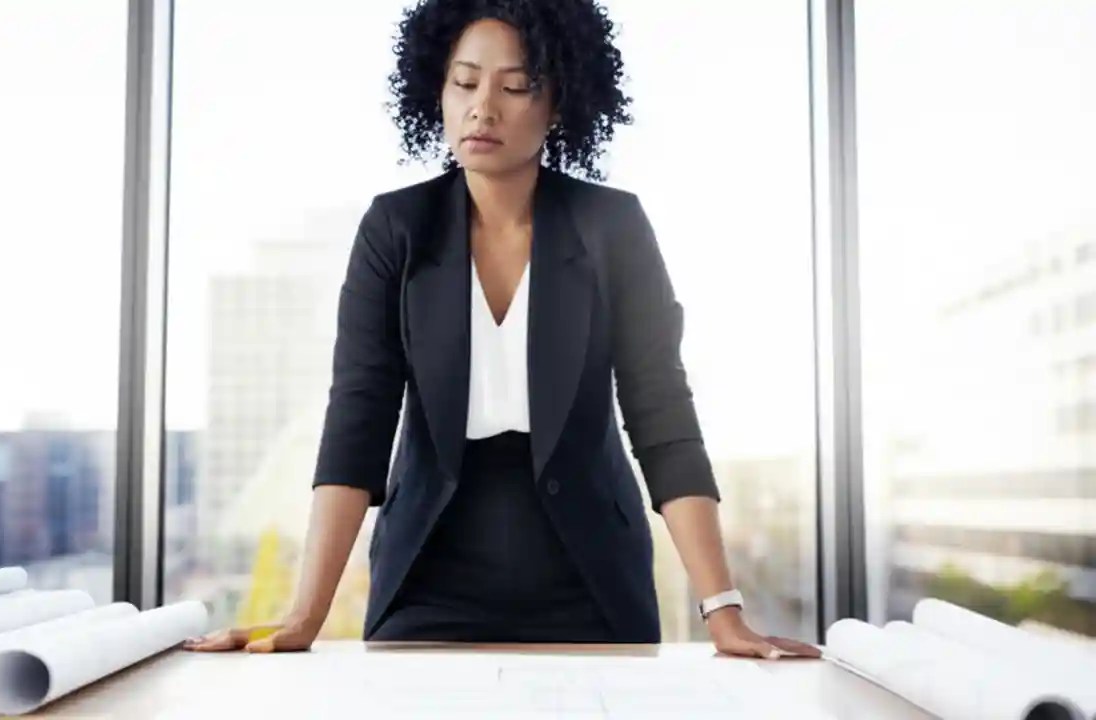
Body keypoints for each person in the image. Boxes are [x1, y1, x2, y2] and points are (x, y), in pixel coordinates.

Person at [184, 0, 820, 659]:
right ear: (436, 89)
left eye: (516, 87)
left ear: (559, 104)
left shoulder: (613, 227)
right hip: (427, 576)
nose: (482, 108)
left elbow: (663, 419)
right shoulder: (395, 229)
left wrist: (723, 612)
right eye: (464, 82)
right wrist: (304, 616)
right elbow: (358, 420)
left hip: (593, 580)